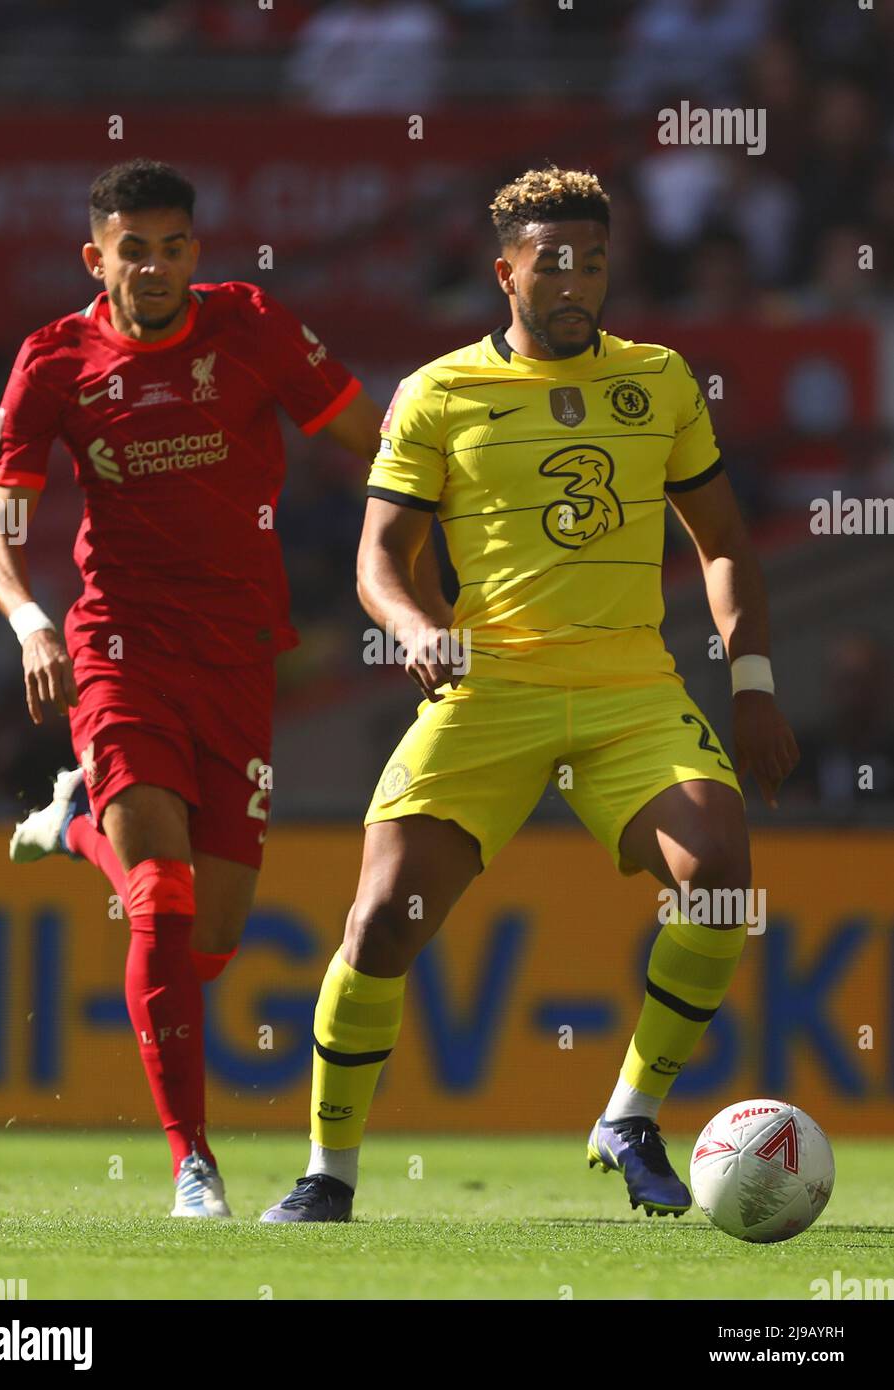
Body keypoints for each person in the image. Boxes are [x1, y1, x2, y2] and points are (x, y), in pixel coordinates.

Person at [261, 165, 799, 1224]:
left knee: (722, 876)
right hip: (489, 689)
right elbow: (377, 559)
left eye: (593, 263)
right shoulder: (436, 393)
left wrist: (752, 683)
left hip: (627, 691)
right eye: (552, 262)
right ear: (501, 270)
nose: (575, 282)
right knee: (378, 925)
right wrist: (415, 627)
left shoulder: (659, 379)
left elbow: (725, 542)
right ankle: (329, 1172)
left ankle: (628, 1113)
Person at [0, 157, 441, 1218]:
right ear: (95, 259)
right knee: (163, 901)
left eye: (173, 244)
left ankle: (76, 820)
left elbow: (382, 450)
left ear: (196, 249)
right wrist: (30, 620)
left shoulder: (253, 328)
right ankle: (194, 1163)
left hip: (237, 656)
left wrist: (422, 586)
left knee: (211, 942)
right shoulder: (54, 360)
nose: (154, 266)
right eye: (131, 248)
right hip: (118, 651)